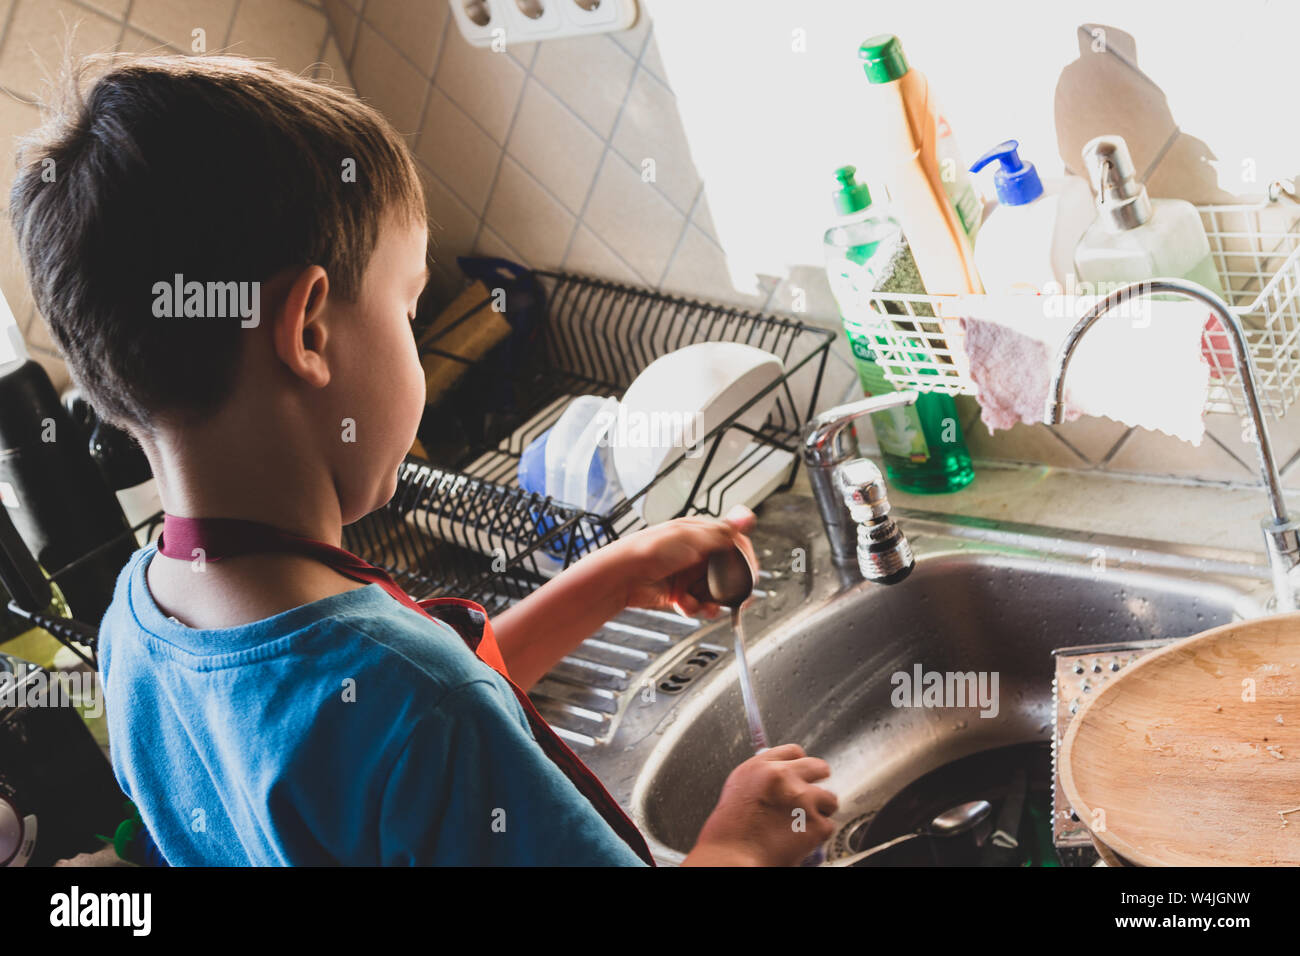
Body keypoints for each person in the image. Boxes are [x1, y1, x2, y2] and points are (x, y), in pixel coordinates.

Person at [8, 53, 837, 866]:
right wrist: (741, 846)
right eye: (409, 304)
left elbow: (391, 734)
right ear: (308, 333)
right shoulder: (418, 705)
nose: (416, 327)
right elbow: (420, 720)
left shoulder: (139, 620)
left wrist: (618, 577)